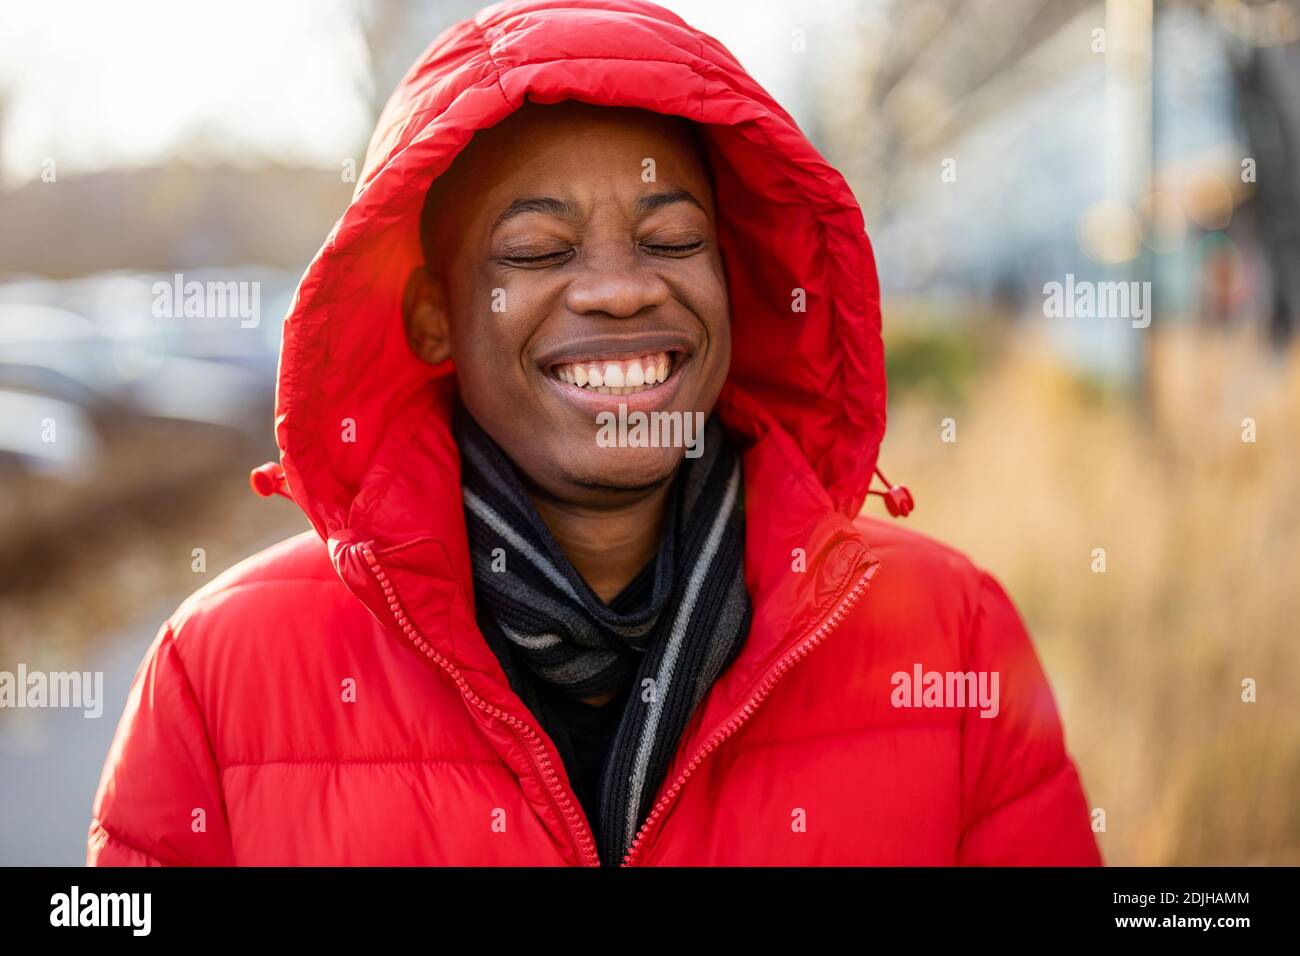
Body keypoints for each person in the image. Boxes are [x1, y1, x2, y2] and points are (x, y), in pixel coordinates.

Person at [88, 0, 1102, 866]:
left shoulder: (951, 631)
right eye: (536, 247)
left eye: (671, 239)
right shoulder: (218, 676)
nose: (621, 287)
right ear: (433, 313)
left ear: (735, 283)